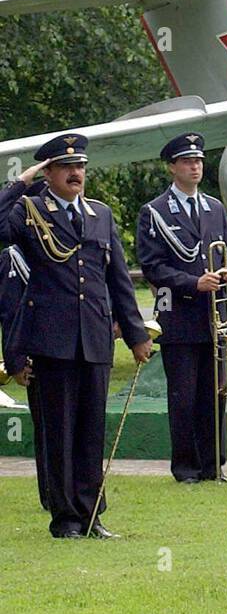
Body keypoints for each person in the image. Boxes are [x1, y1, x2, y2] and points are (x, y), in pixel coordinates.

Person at [0, 134, 152, 538]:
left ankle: (90, 516)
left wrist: (136, 333)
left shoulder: (100, 214)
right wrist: (19, 183)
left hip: (95, 338)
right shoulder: (29, 211)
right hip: (51, 339)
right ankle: (65, 518)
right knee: (60, 432)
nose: (76, 173)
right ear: (48, 173)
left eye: (81, 166)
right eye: (66, 167)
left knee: (90, 431)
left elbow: (117, 278)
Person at [136, 133, 227, 483]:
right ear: (172, 167)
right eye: (187, 161)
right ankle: (186, 468)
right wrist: (192, 283)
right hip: (180, 317)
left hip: (215, 318)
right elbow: (153, 266)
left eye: (198, 161)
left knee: (215, 396)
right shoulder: (155, 211)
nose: (195, 166)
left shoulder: (214, 208)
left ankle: (213, 465)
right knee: (183, 397)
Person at [0, 227, 49, 511]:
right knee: (49, 429)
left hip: (79, 350)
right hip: (37, 353)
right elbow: (10, 312)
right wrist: (16, 360)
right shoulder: (14, 258)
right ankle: (53, 494)